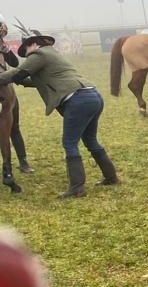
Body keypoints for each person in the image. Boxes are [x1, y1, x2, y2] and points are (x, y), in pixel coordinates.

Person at [0, 30, 119, 197]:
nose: (26, 55)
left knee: (69, 143)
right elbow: (38, 81)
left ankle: (77, 187)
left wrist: (11, 78)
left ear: (33, 44)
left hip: (77, 100)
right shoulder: (51, 54)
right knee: (90, 140)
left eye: (25, 49)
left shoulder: (39, 54)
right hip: (92, 96)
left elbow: (17, 72)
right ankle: (111, 176)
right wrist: (20, 81)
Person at [0, 16, 33, 173]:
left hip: (7, 87)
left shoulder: (2, 44)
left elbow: (14, 63)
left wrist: (5, 50)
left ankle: (23, 161)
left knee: (15, 126)